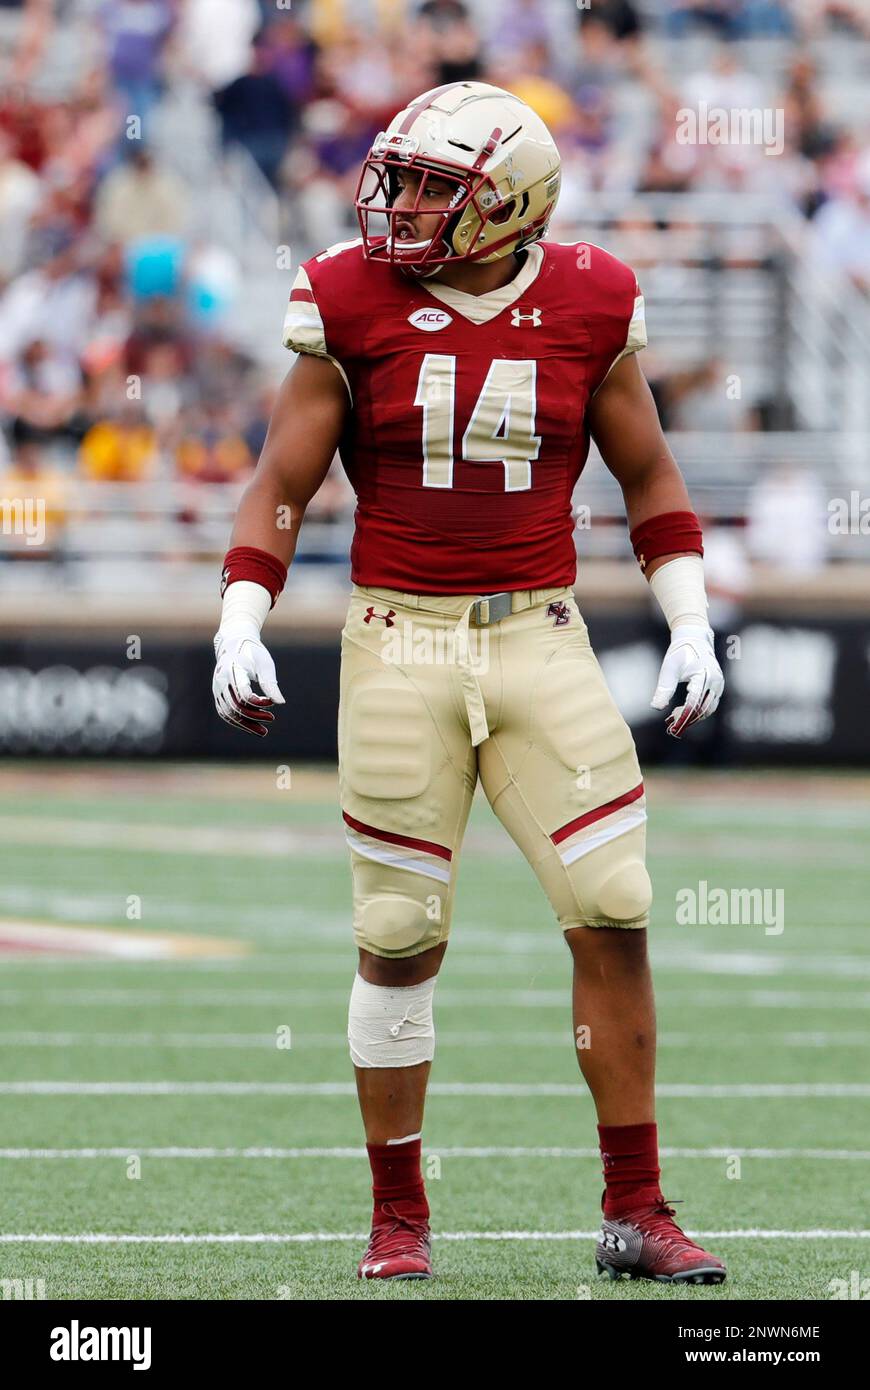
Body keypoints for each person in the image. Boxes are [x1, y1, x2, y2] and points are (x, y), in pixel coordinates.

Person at [211, 82, 726, 1285]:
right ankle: (399, 1216)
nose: (399, 204)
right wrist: (243, 614)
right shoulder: (346, 294)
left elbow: (648, 473)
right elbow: (283, 474)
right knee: (397, 935)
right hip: (397, 641)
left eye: (435, 186)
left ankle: (635, 1208)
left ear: (509, 204)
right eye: (400, 178)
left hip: (541, 636)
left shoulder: (592, 296)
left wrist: (690, 621)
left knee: (616, 901)